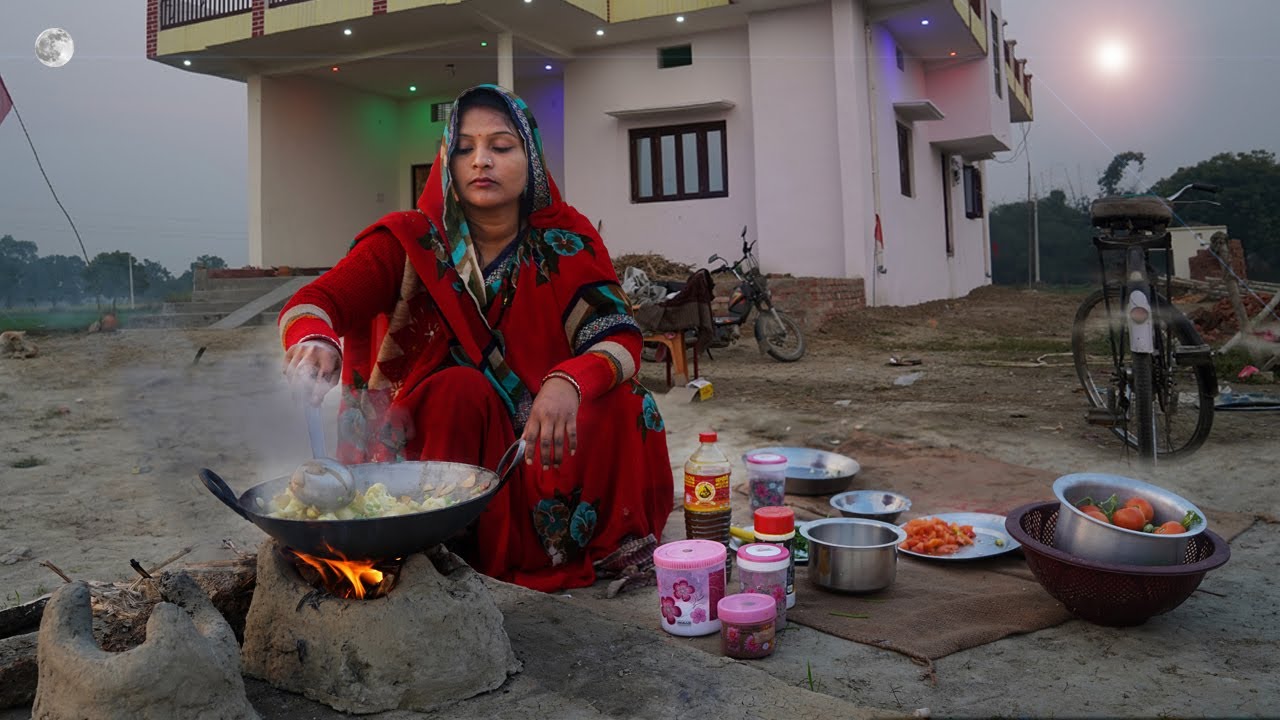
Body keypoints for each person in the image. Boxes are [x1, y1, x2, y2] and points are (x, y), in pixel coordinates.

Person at [278, 85, 673, 592]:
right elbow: (317, 302)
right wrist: (317, 340)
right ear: (447, 159)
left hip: (538, 437)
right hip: (439, 441)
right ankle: (445, 546)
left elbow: (617, 336)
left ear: (529, 157)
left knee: (627, 403)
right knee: (461, 389)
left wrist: (568, 382)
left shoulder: (564, 241)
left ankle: (605, 545)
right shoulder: (408, 241)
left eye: (500, 146)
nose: (481, 161)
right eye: (464, 148)